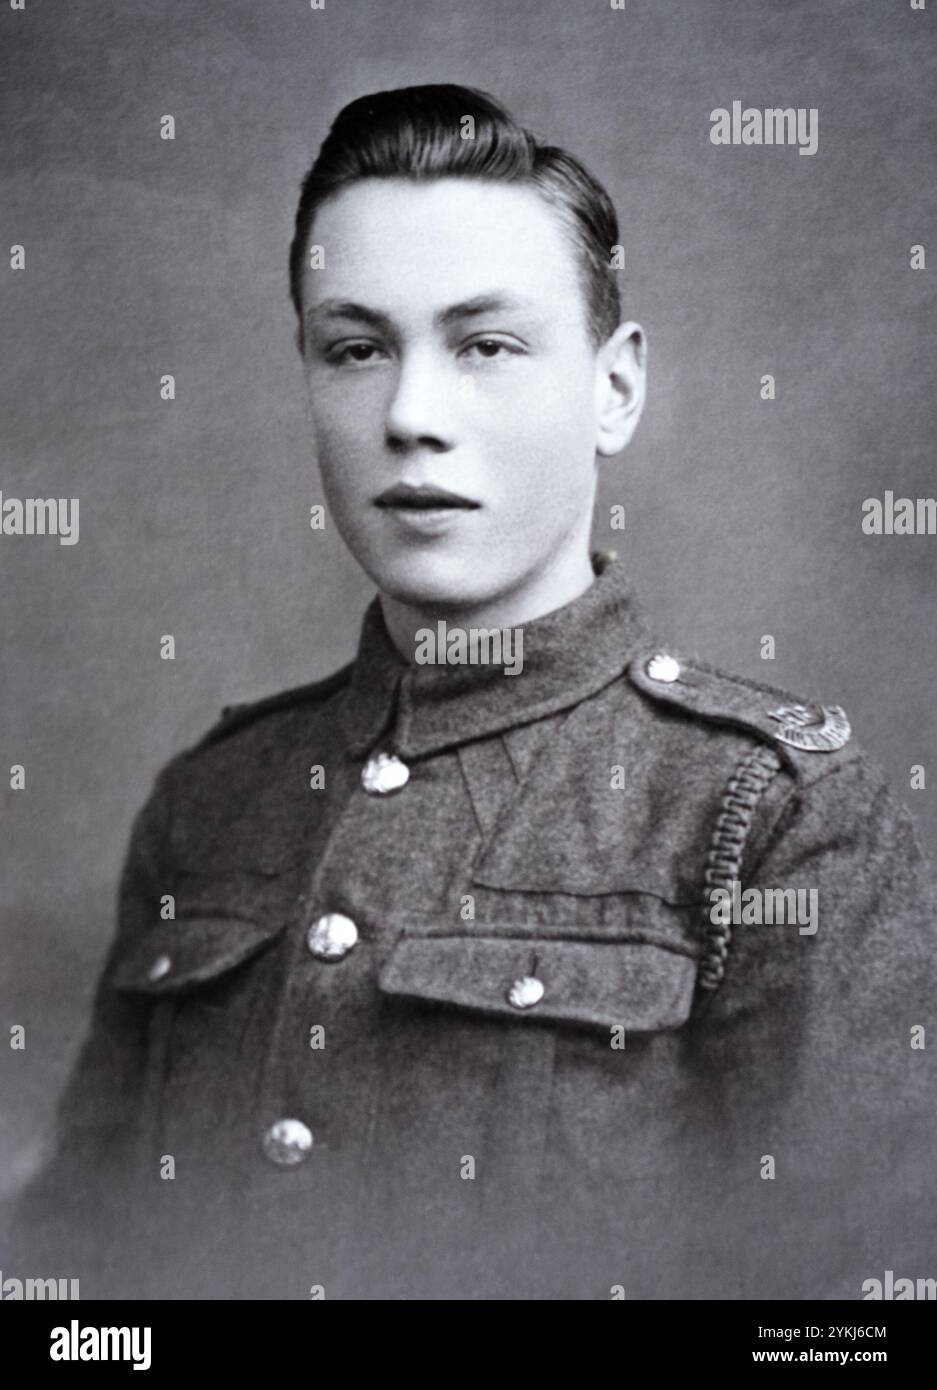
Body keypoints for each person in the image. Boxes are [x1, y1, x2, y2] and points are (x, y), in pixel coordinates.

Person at [7, 83, 935, 1300]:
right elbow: (70, 1297)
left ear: (614, 389)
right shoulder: (212, 798)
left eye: (486, 345)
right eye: (356, 349)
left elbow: (850, 1326)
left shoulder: (774, 817)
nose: (410, 415)